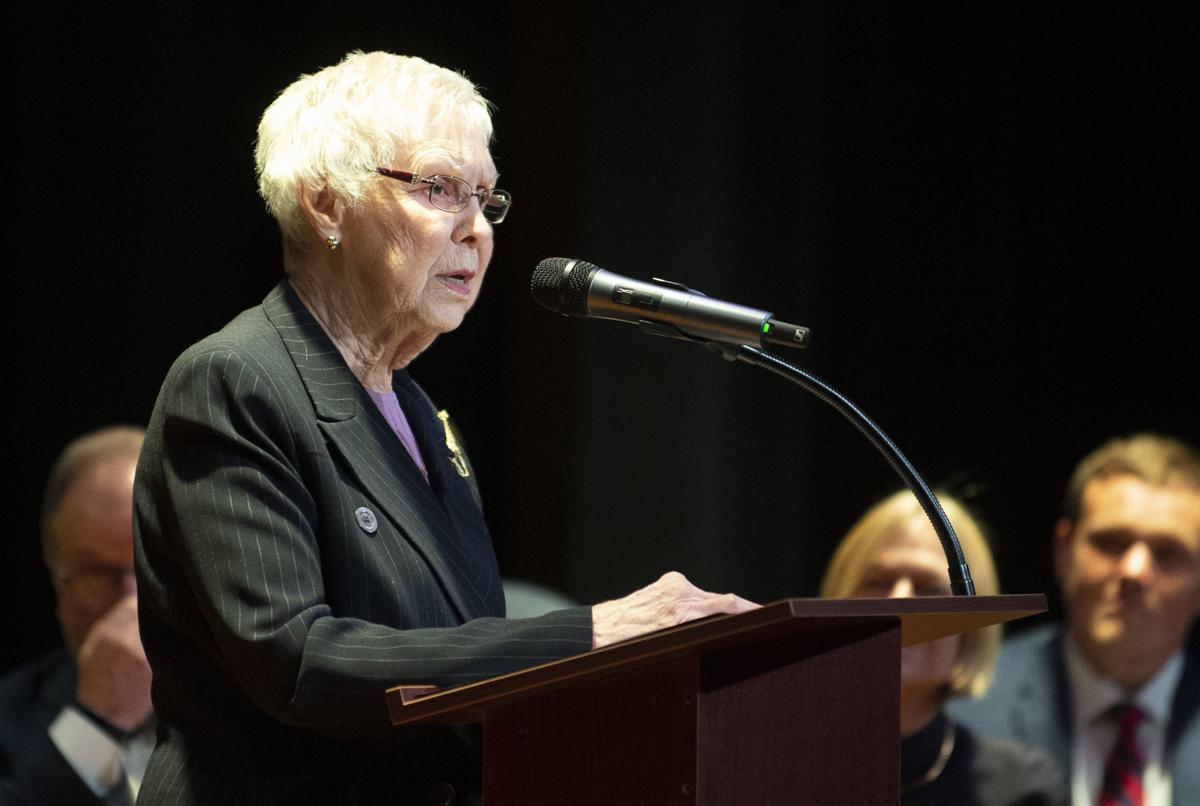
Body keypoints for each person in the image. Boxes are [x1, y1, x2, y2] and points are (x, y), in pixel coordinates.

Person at [132, 51, 755, 805]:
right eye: (439, 189)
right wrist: (592, 634)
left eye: (486, 200)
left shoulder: (422, 416)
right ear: (326, 204)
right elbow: (298, 663)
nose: (477, 231)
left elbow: (461, 657)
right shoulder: (235, 380)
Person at [950, 434, 1200, 805]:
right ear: (1063, 551)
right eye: (1110, 542)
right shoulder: (965, 704)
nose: (1134, 570)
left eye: (1167, 552)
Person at [821, 489, 1067, 805]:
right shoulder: (776, 758)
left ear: (971, 626)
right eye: (877, 582)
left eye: (928, 588)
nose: (899, 601)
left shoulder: (1022, 787)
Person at [0, 426, 151, 805]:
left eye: (153, 565)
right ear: (56, 577)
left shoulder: (262, 704)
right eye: (99, 573)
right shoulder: (8, 722)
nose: (131, 603)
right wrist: (95, 725)